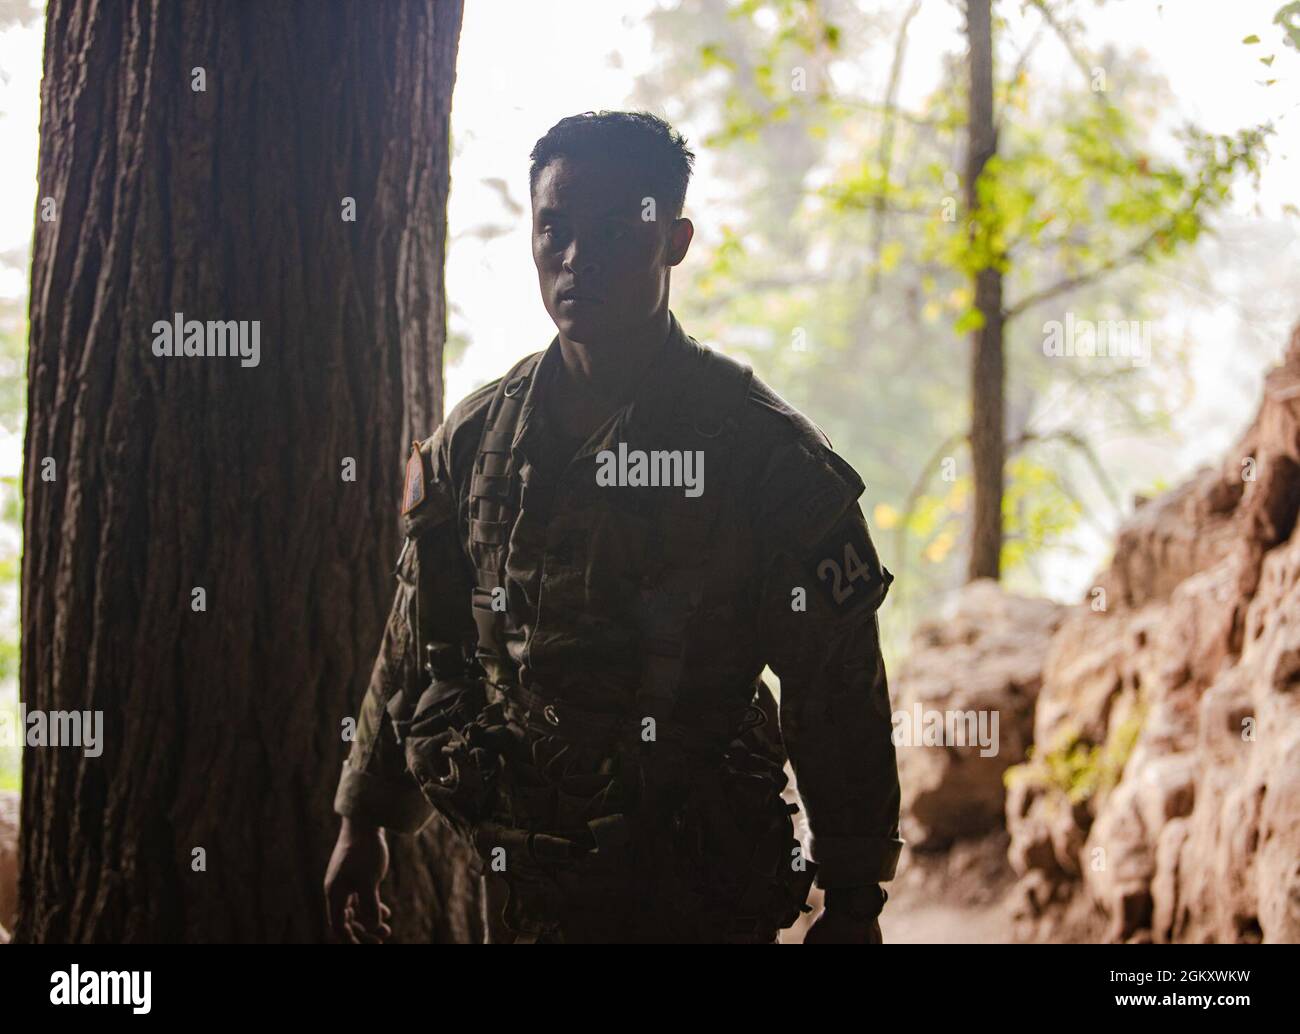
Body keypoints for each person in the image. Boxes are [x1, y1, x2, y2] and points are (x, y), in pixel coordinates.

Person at [324, 111, 901, 944]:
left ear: (675, 240)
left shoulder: (761, 454)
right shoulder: (475, 439)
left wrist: (853, 896)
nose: (575, 257)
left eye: (610, 230)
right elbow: (417, 634)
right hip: (520, 884)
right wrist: (364, 818)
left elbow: (836, 683)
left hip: (695, 893)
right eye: (553, 228)